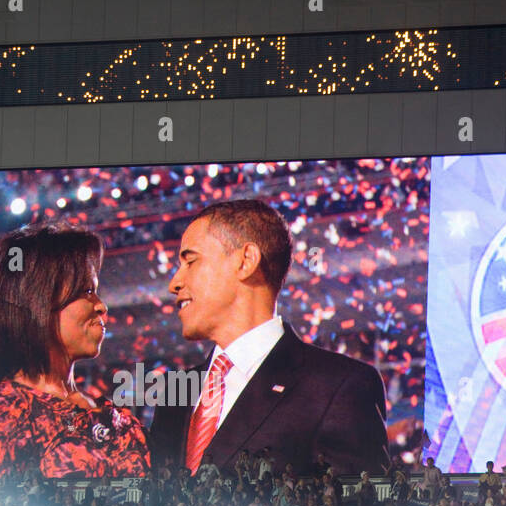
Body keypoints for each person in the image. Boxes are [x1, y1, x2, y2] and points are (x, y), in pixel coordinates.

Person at [148, 199, 390, 477]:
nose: (174, 283)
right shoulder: (175, 394)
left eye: (190, 261)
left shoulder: (339, 387)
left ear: (246, 261)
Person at [0, 225, 149, 478]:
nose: (101, 306)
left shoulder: (122, 422)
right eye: (87, 292)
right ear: (39, 301)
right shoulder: (2, 414)